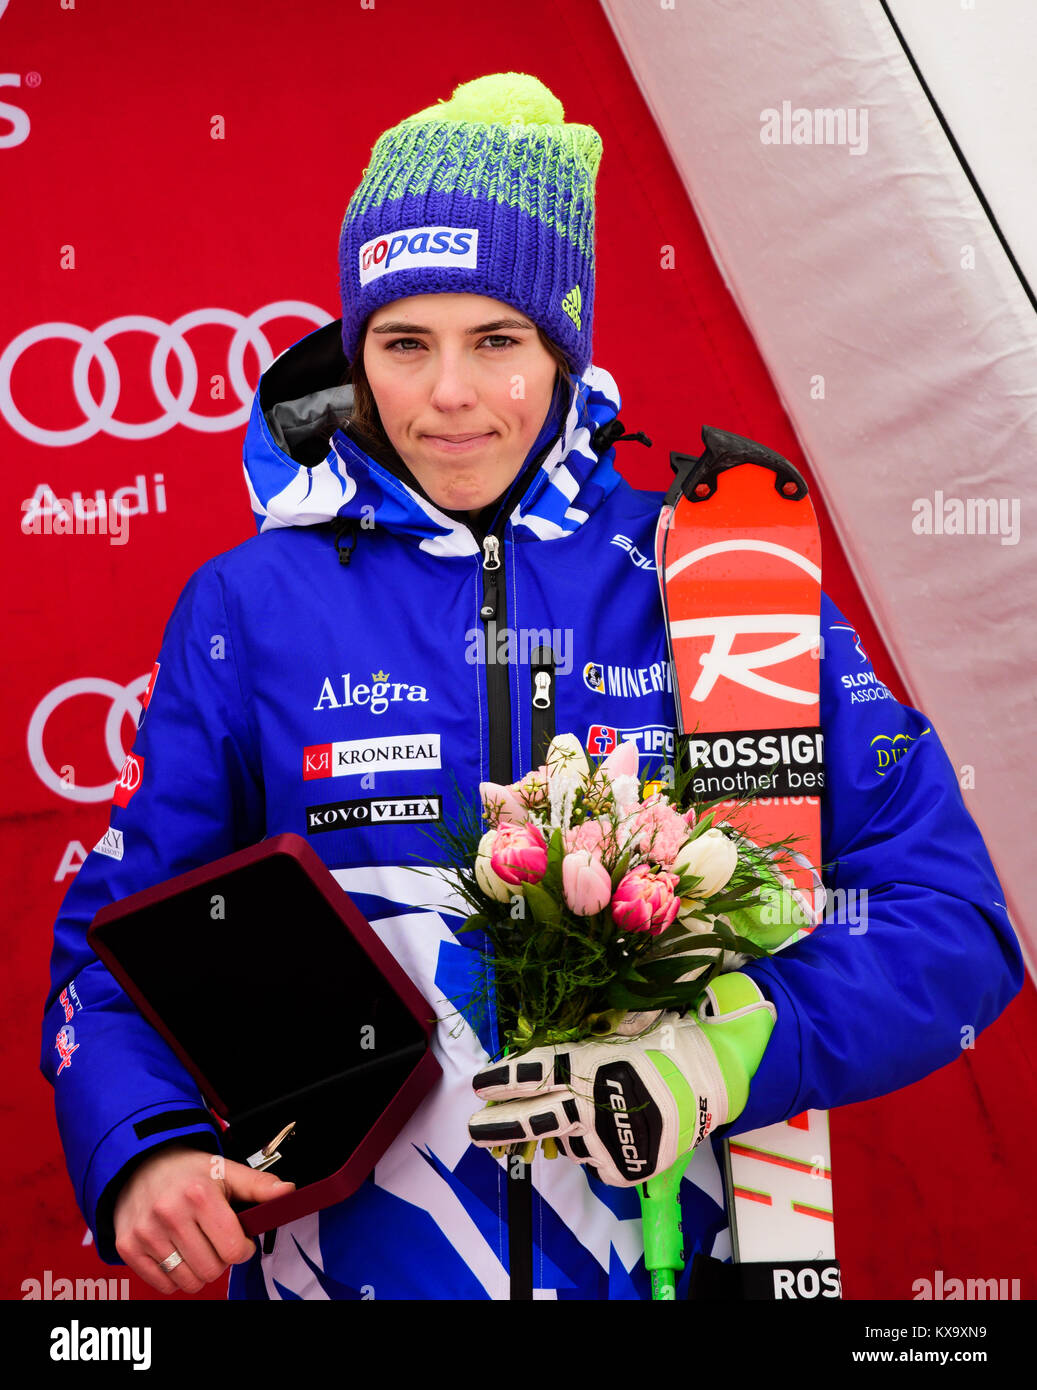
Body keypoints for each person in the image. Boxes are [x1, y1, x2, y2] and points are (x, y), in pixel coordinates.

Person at [40, 71, 1023, 1302]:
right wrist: (144, 1146)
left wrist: (726, 1054)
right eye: (402, 344)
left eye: (496, 341)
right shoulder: (251, 605)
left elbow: (950, 917)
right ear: (353, 353)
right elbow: (116, 954)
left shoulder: (715, 585)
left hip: (665, 1264)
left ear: (561, 347)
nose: (447, 395)